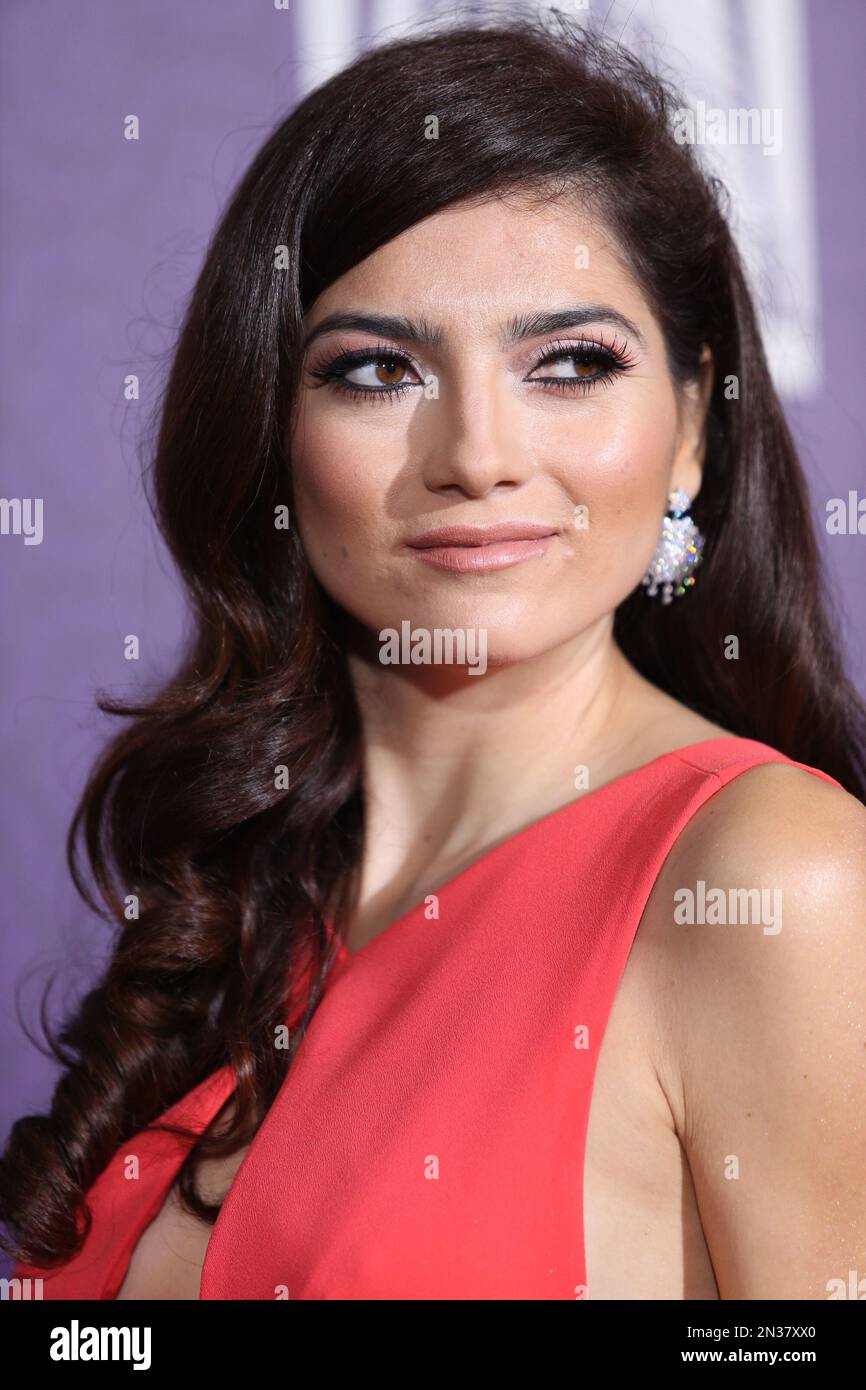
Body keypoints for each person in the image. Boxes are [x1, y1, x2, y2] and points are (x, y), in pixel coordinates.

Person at [3, 13, 865, 1301]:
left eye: (571, 362)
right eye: (377, 370)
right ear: (273, 429)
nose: (476, 454)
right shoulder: (251, 906)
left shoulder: (768, 882)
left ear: (692, 426)